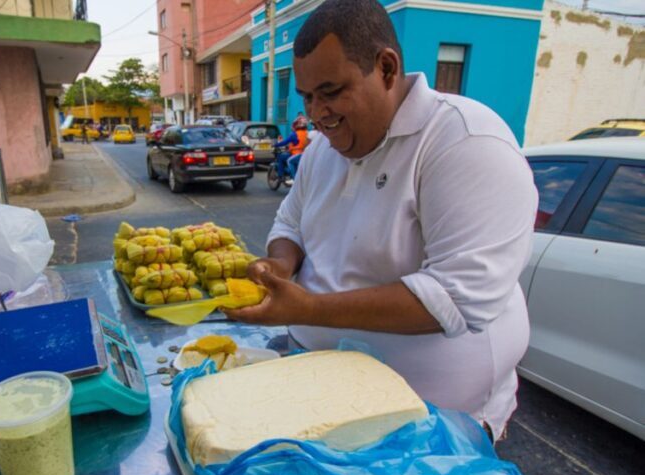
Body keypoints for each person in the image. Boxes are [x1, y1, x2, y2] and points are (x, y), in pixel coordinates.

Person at [226, 0, 538, 442]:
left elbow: (455, 298)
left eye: (331, 91)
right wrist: (279, 266)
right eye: (308, 96)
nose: (317, 113)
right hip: (315, 395)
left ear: (387, 69)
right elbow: (290, 224)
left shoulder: (465, 142)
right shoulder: (321, 149)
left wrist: (307, 309)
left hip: (431, 423)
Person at [273, 117, 310, 182]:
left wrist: (275, 145)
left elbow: (285, 142)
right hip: (305, 155)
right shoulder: (307, 133)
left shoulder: (294, 134)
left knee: (281, 157)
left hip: (295, 154)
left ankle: (281, 175)